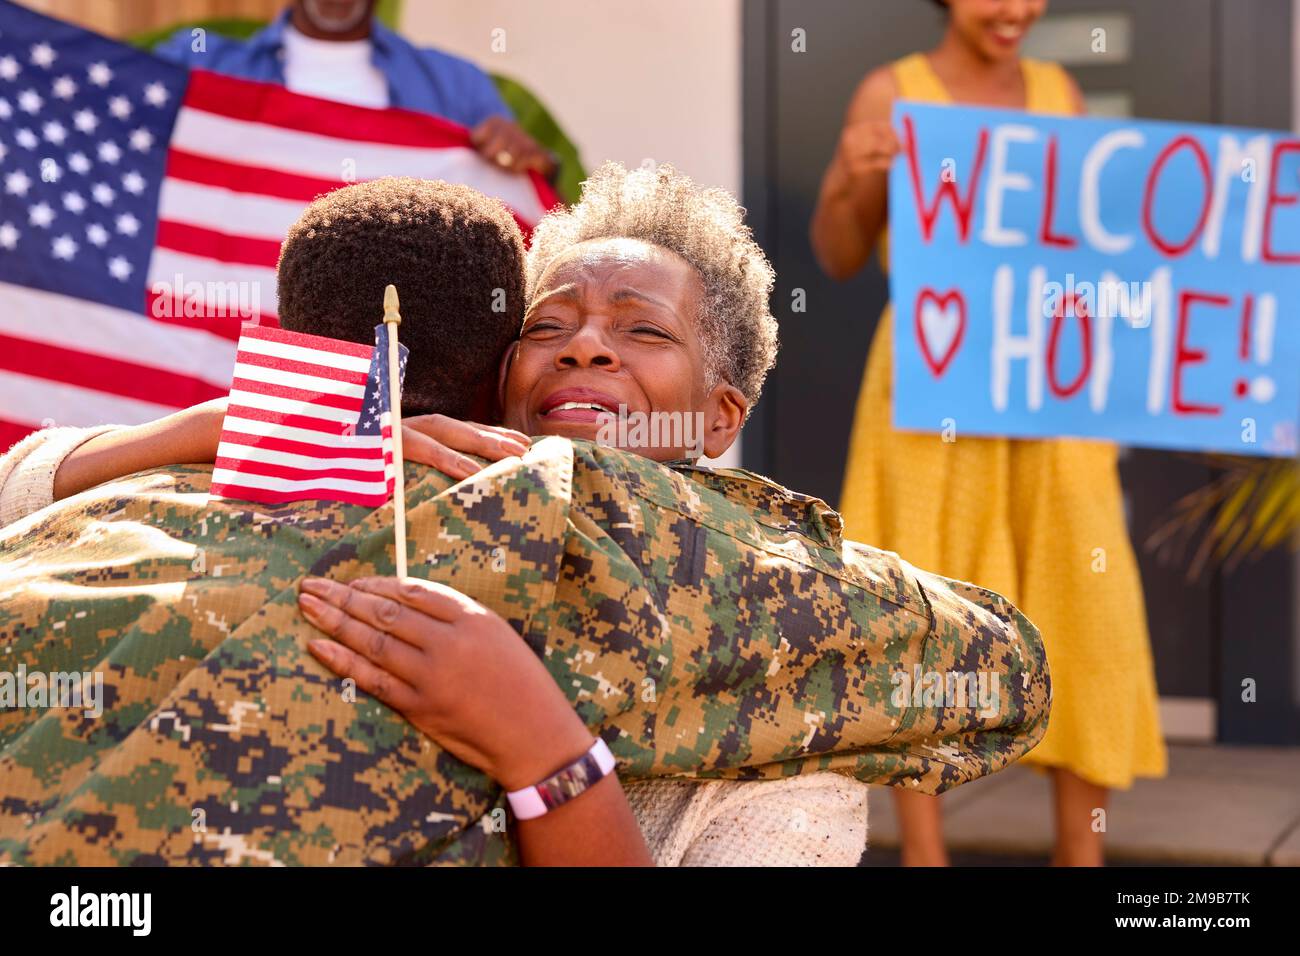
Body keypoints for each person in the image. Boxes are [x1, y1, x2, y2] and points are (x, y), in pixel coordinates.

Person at [0, 168, 1049, 866]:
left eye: (641, 330)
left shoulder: (781, 709)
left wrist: (541, 746)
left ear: (720, 413)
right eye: (549, 326)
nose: (586, 346)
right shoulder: (346, 480)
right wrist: (222, 424)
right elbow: (31, 491)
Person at [809, 0, 1166, 866]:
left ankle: (1082, 857)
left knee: (1084, 599)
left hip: (1045, 384)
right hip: (931, 387)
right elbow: (838, 254)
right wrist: (850, 179)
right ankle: (925, 854)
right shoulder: (891, 93)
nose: (1014, 9)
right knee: (920, 598)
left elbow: (1090, 249)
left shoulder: (1059, 92)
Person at [153, 0, 556, 179]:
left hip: (399, 334)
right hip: (241, 327)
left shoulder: (455, 84)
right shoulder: (199, 61)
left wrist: (528, 163)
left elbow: (526, 196)